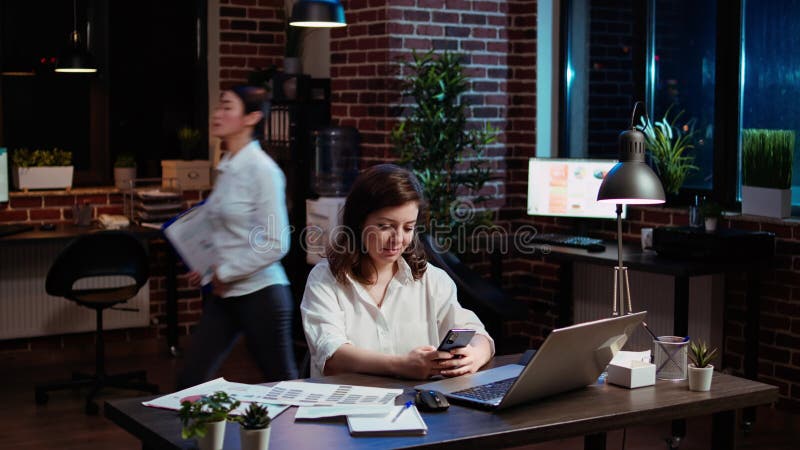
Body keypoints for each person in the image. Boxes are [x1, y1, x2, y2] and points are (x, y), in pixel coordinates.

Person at [301, 164, 494, 379]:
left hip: (416, 408)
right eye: (384, 226)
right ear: (358, 223)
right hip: (345, 407)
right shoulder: (324, 280)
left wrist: (475, 355)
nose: (398, 239)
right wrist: (401, 365)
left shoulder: (432, 280)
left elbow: (478, 335)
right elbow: (332, 356)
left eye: (408, 228)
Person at [176, 85, 298, 389]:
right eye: (219, 106)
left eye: (228, 107)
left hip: (262, 295)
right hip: (225, 296)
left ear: (251, 117)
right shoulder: (228, 167)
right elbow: (227, 234)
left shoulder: (263, 171)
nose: (218, 114)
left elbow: (276, 242)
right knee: (189, 383)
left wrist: (225, 271)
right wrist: (205, 268)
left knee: (285, 388)